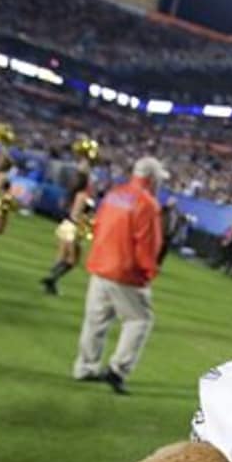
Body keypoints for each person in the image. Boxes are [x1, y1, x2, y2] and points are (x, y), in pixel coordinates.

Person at [71, 157, 167, 395]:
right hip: (126, 271)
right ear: (152, 179)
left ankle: (85, 367)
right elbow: (147, 243)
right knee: (139, 320)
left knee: (95, 320)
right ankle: (118, 369)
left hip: (100, 265)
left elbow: (98, 225)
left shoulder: (115, 194)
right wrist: (149, 271)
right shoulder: (148, 203)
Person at [41, 172, 94, 296]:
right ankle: (52, 280)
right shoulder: (83, 196)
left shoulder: (73, 193)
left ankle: (50, 284)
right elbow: (77, 215)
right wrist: (86, 222)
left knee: (61, 256)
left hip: (65, 225)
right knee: (72, 260)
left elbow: (66, 209)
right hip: (74, 228)